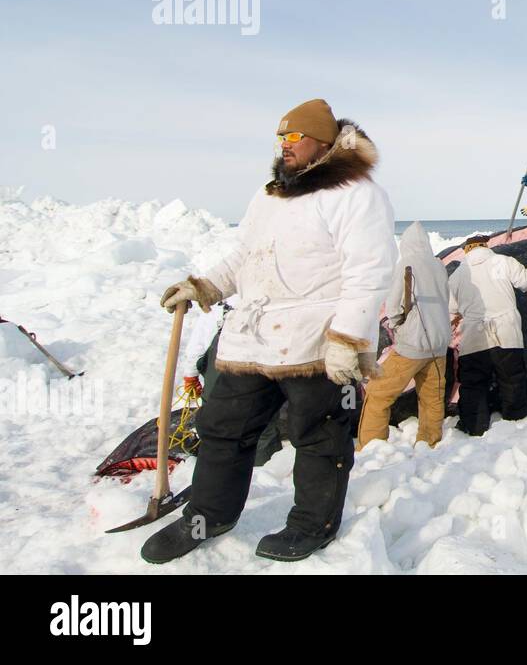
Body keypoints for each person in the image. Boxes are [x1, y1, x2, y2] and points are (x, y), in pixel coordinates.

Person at [144, 99, 396, 563]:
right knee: (221, 427)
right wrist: (203, 286)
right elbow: (243, 258)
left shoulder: (356, 194)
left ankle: (311, 526)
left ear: (324, 141)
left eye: (294, 138)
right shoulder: (269, 195)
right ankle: (209, 514)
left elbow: (370, 269)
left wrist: (348, 339)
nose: (285, 147)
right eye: (281, 139)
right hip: (252, 337)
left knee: (318, 437)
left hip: (317, 342)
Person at [357, 222, 451, 450]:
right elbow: (446, 297)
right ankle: (429, 442)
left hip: (414, 343)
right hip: (439, 342)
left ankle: (372, 446)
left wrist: (398, 325)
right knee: (432, 397)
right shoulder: (439, 265)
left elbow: (394, 304)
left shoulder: (406, 264)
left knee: (378, 392)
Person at [448, 234, 527, 435]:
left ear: (467, 250)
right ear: (485, 245)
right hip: (506, 332)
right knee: (512, 378)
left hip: (474, 336)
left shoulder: (458, 274)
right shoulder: (503, 261)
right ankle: (516, 420)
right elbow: (525, 281)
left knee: (473, 383)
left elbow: (451, 308)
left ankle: (474, 425)